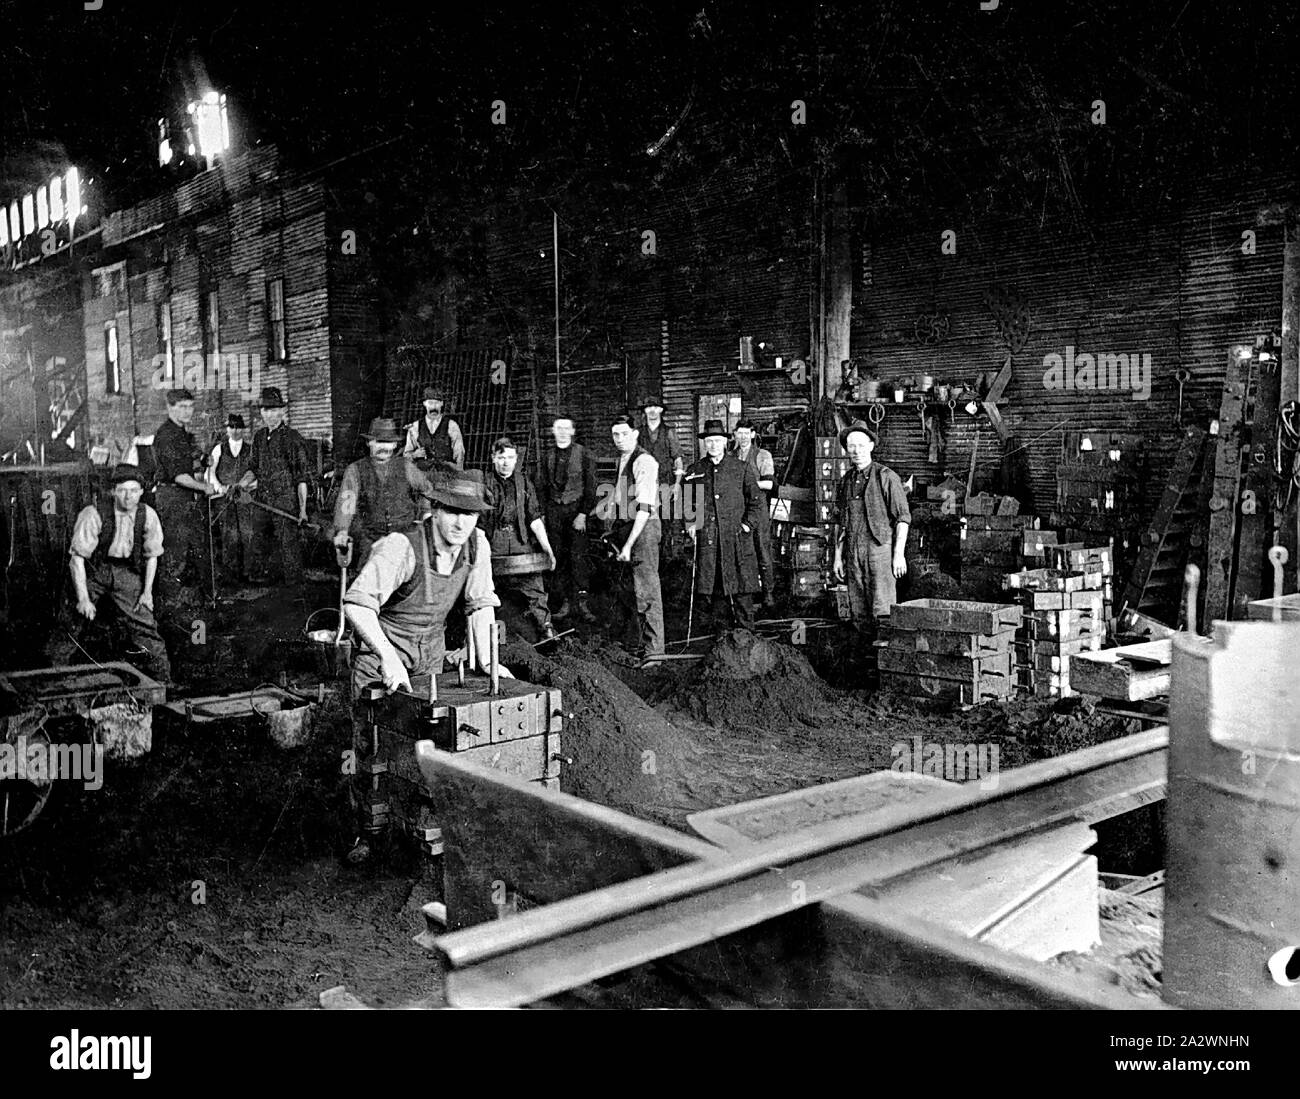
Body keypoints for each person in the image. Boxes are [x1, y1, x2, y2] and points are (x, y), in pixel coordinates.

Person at [342, 472, 507, 863]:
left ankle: (419, 832)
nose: (460, 523)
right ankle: (366, 833)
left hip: (430, 656)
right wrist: (387, 657)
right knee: (374, 750)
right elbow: (357, 606)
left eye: (469, 515)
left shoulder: (476, 545)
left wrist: (487, 661)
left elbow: (480, 604)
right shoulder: (401, 547)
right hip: (382, 652)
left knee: (426, 746)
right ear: (433, 509)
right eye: (451, 511)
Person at [50, 464, 171, 684]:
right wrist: (84, 599)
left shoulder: (148, 515)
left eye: (134, 491)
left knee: (143, 622)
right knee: (71, 620)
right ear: (113, 491)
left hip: (126, 572)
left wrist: (147, 593)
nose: (128, 497)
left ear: (142, 492)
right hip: (95, 570)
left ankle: (162, 682)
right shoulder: (93, 513)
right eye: (123, 490)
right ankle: (54, 677)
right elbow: (76, 560)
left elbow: (152, 556)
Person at [831, 420, 911, 631]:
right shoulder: (846, 481)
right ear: (846, 449)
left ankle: (883, 656)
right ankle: (864, 657)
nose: (856, 451)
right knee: (858, 608)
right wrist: (838, 557)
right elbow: (839, 522)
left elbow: (903, 518)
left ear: (871, 446)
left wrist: (898, 554)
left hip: (879, 550)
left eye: (860, 445)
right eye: (851, 446)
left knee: (882, 608)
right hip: (852, 551)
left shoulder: (886, 477)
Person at [685, 419, 764, 631]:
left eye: (717, 440)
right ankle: (723, 640)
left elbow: (756, 503)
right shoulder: (695, 470)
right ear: (704, 443)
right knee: (716, 586)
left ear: (725, 442)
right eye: (709, 441)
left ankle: (747, 637)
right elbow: (688, 503)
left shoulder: (741, 468)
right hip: (709, 538)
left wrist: (747, 525)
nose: (713, 445)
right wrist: (691, 523)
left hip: (736, 538)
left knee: (741, 588)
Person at [330, 417, 436, 568]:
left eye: (388, 443)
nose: (384, 447)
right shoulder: (355, 470)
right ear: (369, 443)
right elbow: (347, 503)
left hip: (406, 537)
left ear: (394, 444)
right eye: (379, 442)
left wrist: (425, 514)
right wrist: (342, 530)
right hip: (373, 538)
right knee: (368, 578)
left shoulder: (406, 466)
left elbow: (427, 490)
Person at [483, 437, 559, 641]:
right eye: (501, 457)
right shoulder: (483, 482)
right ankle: (490, 637)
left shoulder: (524, 482)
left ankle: (546, 629)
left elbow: (534, 519)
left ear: (517, 459)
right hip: (493, 540)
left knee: (533, 585)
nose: (506, 462)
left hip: (519, 540)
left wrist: (547, 549)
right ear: (493, 458)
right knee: (487, 588)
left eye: (510, 457)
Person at [238, 387, 312, 586]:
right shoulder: (259, 437)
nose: (270, 414)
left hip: (285, 503)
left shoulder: (293, 439)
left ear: (282, 411)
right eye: (265, 410)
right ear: (261, 412)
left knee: (288, 546)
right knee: (260, 541)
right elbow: (253, 468)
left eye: (274, 410)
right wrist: (241, 484)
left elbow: (301, 478)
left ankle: (294, 590)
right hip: (262, 500)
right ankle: (266, 589)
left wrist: (303, 510)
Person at [606, 412, 664, 658]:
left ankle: (655, 652)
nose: (619, 439)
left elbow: (644, 508)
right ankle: (636, 643)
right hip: (627, 526)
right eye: (615, 434)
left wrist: (629, 544)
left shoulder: (645, 462)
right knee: (630, 590)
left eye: (624, 434)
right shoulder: (624, 458)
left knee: (647, 590)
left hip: (644, 529)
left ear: (636, 434)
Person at [151, 388, 217, 602]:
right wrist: (204, 487)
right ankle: (169, 603)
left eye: (190, 406)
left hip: (183, 498)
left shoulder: (181, 433)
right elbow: (179, 476)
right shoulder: (167, 435)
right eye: (182, 407)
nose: (188, 411)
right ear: (170, 407)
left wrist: (203, 460)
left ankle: (187, 600)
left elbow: (189, 462)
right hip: (172, 497)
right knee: (175, 551)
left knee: (190, 548)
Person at [535, 412, 597, 623]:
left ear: (572, 431)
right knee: (558, 558)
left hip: (576, 512)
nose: (561, 432)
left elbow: (591, 487)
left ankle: (582, 603)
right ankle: (564, 603)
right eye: (557, 428)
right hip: (554, 514)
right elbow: (541, 488)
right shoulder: (547, 456)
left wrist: (583, 514)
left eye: (565, 428)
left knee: (578, 558)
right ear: (553, 431)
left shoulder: (584, 454)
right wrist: (543, 514)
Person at [731, 419, 777, 608]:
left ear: (752, 434)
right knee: (741, 553)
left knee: (762, 552)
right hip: (737, 511)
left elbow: (770, 484)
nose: (742, 437)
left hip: (758, 509)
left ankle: (768, 594)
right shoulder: (730, 456)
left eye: (745, 433)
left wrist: (747, 484)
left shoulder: (762, 455)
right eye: (738, 433)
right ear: (734, 435)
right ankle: (746, 594)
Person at [208, 413, 254, 581]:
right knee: (229, 535)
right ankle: (230, 574)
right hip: (225, 498)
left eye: (238, 427)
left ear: (243, 430)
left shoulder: (251, 449)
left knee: (247, 533)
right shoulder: (219, 449)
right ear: (227, 429)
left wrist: (245, 486)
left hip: (244, 497)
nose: (235, 431)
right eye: (231, 427)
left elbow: (255, 473)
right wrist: (219, 487)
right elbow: (210, 472)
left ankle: (247, 573)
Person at [639, 396, 683, 548]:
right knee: (644, 520)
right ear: (644, 411)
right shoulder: (638, 434)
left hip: (665, 483)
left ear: (661, 410)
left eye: (656, 407)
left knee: (665, 522)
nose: (652, 410)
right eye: (648, 407)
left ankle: (665, 561)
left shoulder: (669, 433)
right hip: (644, 486)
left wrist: (676, 485)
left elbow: (678, 461)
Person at [403, 386, 465, 472]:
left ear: (442, 404)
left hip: (445, 475)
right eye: (430, 403)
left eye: (437, 403)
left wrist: (459, 473)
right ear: (424, 403)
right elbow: (406, 455)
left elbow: (459, 454)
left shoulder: (452, 425)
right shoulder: (415, 427)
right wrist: (414, 455)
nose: (434, 407)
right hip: (422, 476)